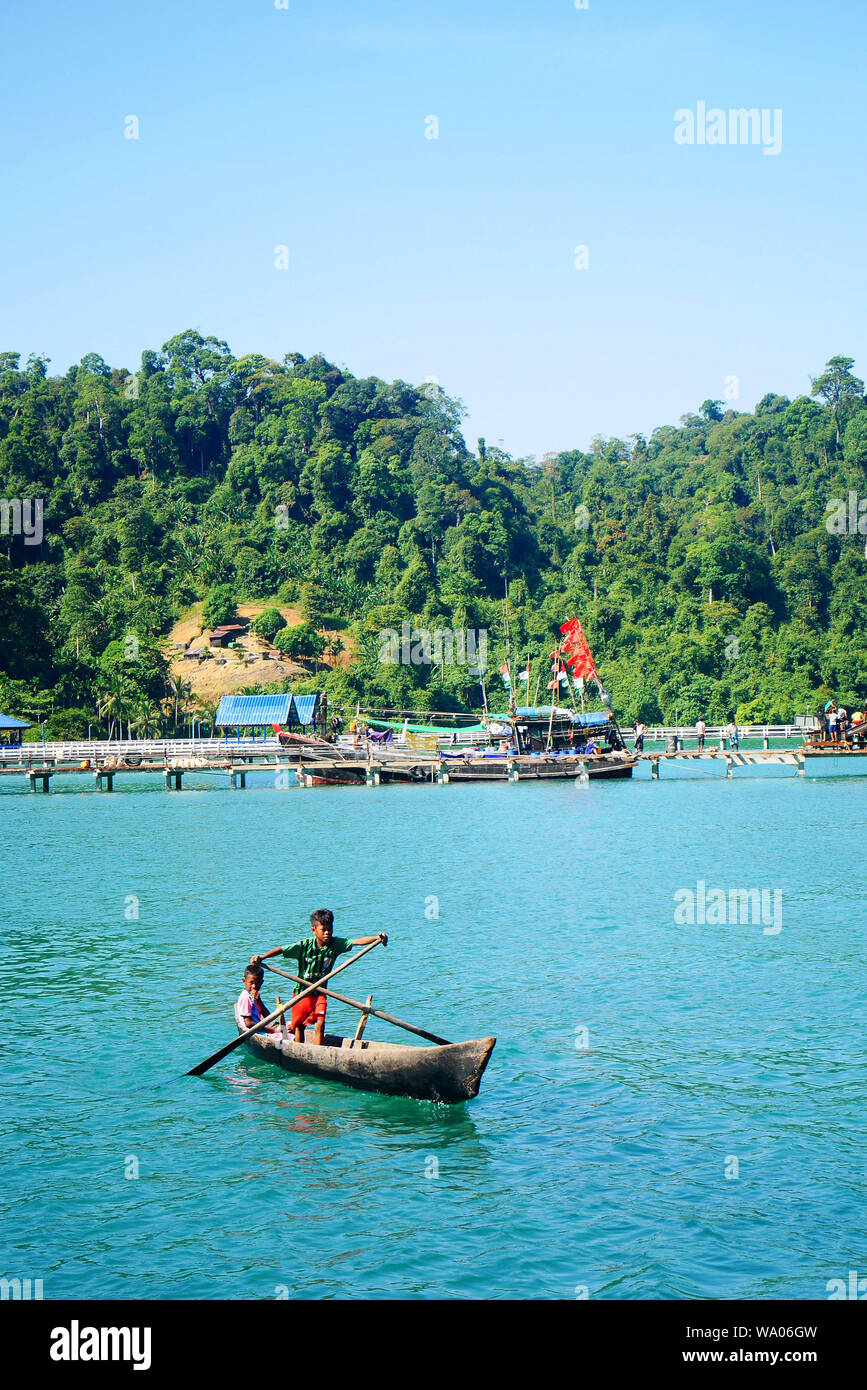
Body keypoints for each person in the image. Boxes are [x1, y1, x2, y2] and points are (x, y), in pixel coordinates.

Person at [252, 910, 387, 1047]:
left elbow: (357, 942)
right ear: (314, 930)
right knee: (299, 1025)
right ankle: (299, 1050)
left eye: (330, 929)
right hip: (301, 992)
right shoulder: (304, 946)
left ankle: (318, 1050)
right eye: (323, 930)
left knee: (320, 1022)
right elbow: (282, 950)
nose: (327, 933)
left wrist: (377, 939)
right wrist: (262, 957)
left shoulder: (335, 944)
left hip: (320, 992)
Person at [235, 964, 281, 1036]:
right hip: (255, 1031)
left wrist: (259, 1001)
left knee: (289, 1026)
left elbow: (268, 1017)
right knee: (284, 1034)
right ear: (244, 981)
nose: (254, 986)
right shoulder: (246, 997)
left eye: (257, 983)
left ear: (261, 983)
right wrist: (272, 1030)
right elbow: (248, 1023)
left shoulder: (254, 996)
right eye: (251, 983)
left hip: (259, 1029)